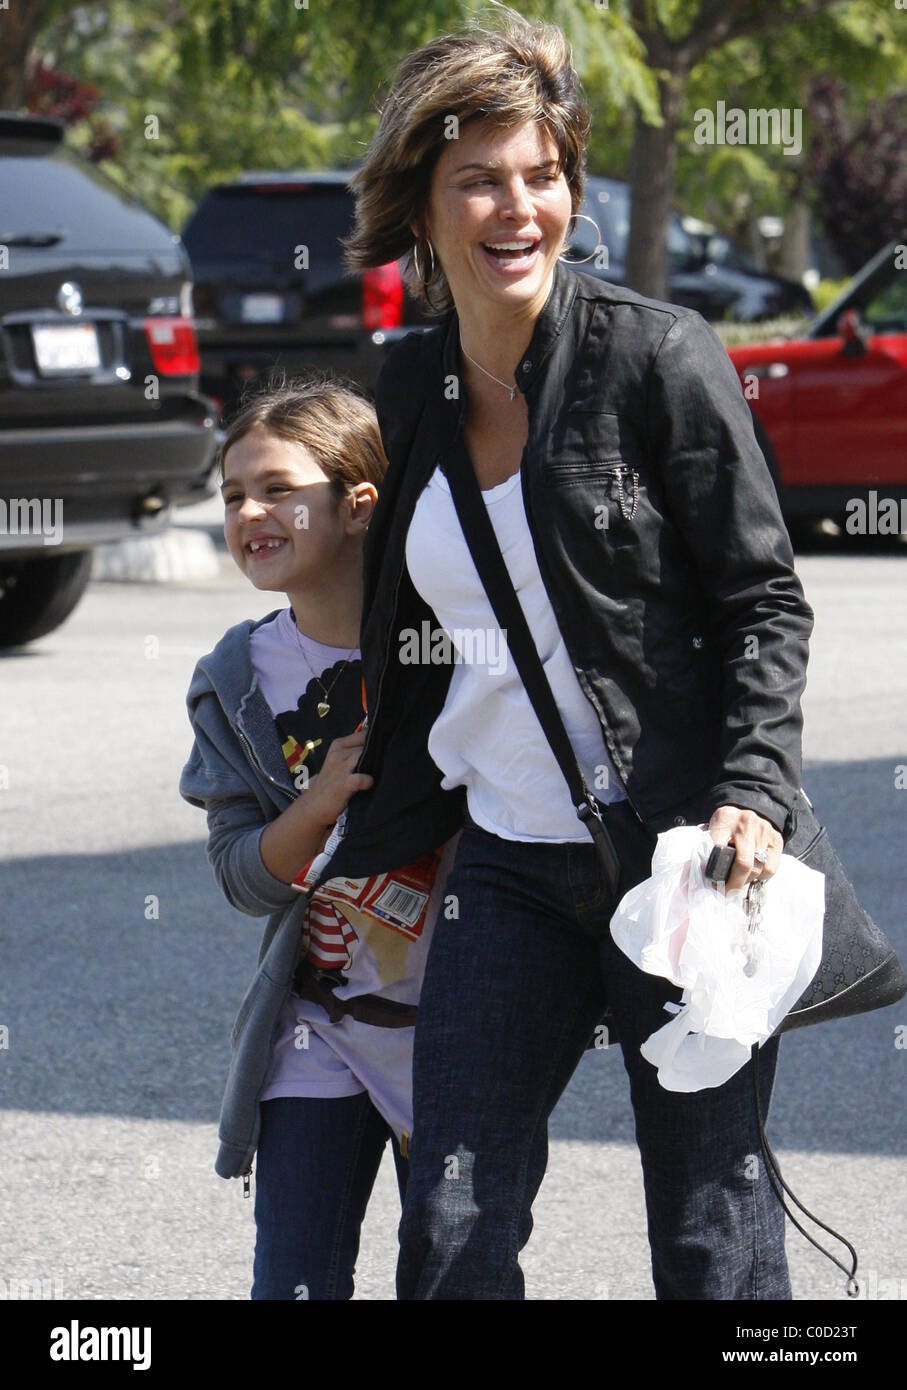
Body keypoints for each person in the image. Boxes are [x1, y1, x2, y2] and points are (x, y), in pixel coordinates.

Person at [316, 8, 816, 1299]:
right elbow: (380, 616)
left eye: (540, 175)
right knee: (451, 1221)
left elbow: (762, 600)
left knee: (710, 1231)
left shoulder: (657, 359)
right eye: (477, 178)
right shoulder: (400, 389)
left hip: (682, 860)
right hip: (506, 863)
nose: (514, 205)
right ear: (421, 208)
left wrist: (750, 791)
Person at [178, 373, 460, 1299]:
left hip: (459, 1031)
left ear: (356, 505)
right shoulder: (235, 678)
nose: (248, 512)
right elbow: (242, 876)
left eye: (276, 489)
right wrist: (320, 801)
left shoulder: (453, 645)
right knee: (293, 1285)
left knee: (459, 1280)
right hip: (316, 1033)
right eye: (230, 495)